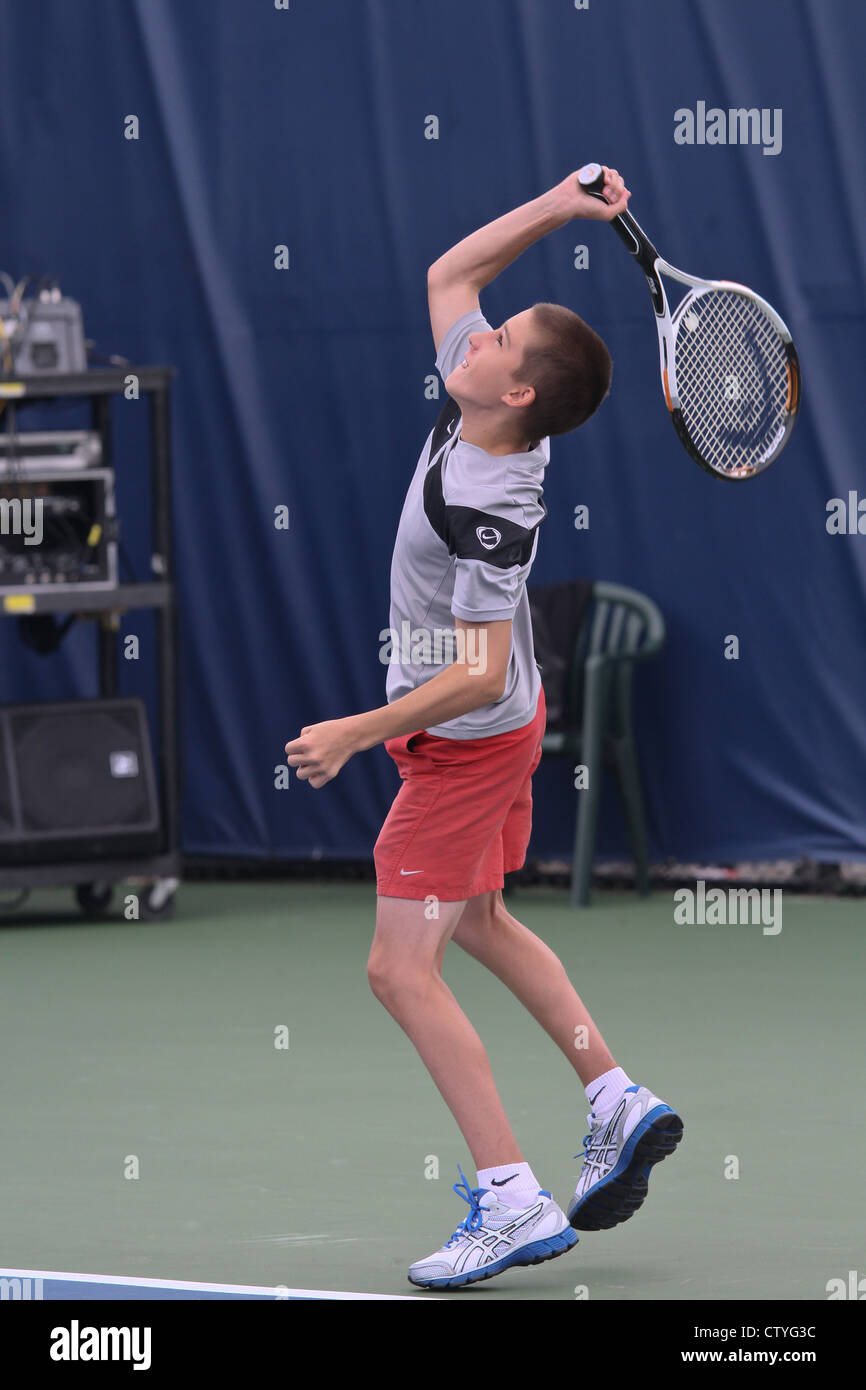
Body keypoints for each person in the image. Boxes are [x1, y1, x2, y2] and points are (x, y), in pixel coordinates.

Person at [285, 165, 683, 1290]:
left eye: (500, 340)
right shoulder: (487, 406)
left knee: (397, 969)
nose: (476, 331)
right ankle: (613, 1094)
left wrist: (356, 729)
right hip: (500, 726)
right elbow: (449, 274)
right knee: (480, 918)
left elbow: (477, 671)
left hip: (465, 742)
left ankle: (510, 1196)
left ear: (515, 391)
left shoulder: (487, 501)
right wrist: (561, 204)